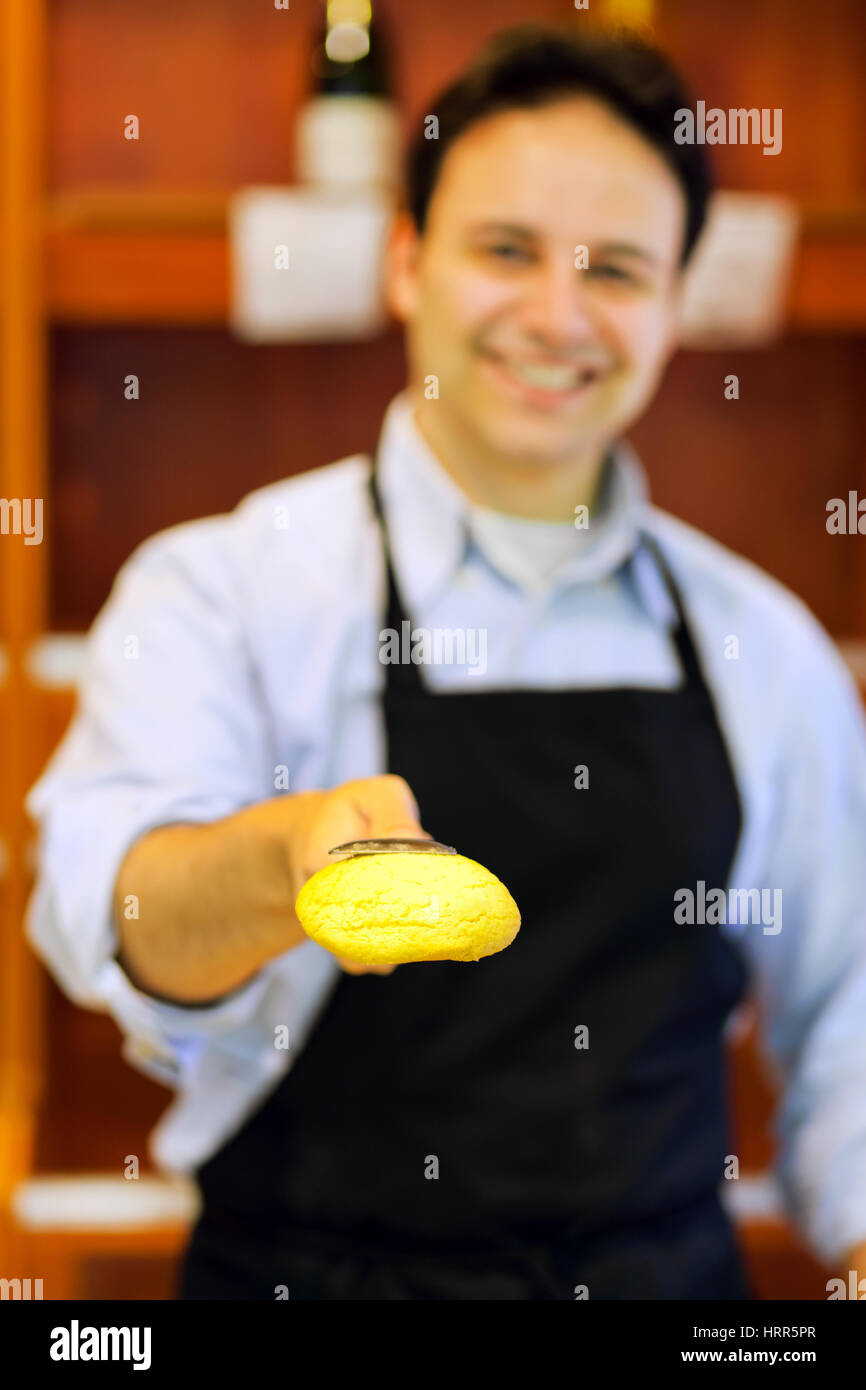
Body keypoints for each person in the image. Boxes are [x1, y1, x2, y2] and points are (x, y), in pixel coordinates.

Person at [24, 25, 866, 1301]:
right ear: (406, 261)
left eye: (618, 271)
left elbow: (850, 1016)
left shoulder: (764, 643)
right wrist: (285, 861)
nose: (557, 315)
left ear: (675, 303)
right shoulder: (226, 588)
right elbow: (118, 920)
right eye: (506, 250)